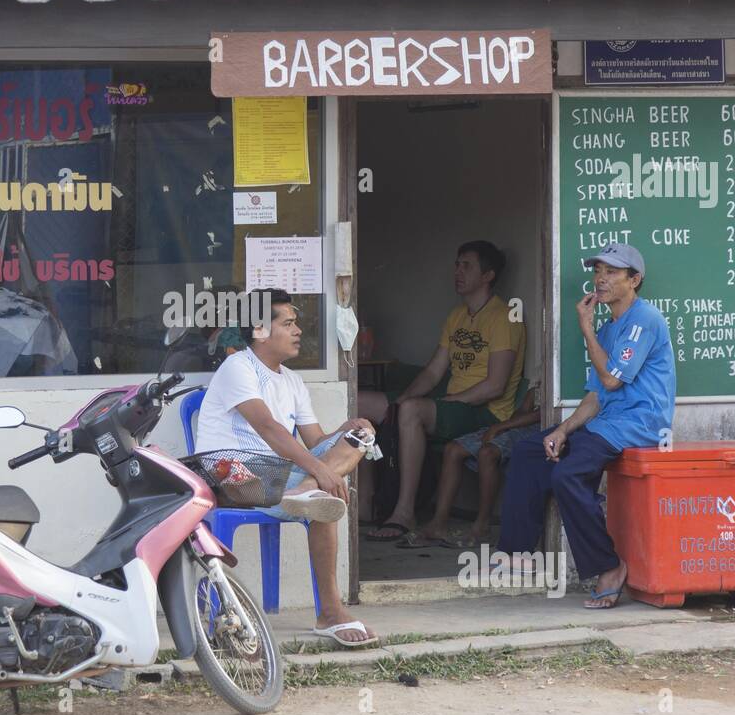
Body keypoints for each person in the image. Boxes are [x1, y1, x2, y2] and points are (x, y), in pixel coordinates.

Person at [195, 289, 379, 648]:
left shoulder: (292, 381)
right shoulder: (238, 366)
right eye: (289, 323)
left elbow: (316, 441)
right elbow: (269, 428)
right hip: (232, 475)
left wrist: (347, 431)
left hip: (282, 477)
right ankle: (330, 611)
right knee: (325, 489)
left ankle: (329, 611)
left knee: (362, 437)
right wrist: (321, 472)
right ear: (261, 330)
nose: (298, 331)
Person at [497, 242, 676, 609]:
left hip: (639, 425)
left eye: (611, 272)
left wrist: (585, 328)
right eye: (598, 271)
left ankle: (609, 567)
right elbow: (596, 396)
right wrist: (562, 431)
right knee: (532, 449)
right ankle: (516, 552)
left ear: (635, 280)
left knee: (568, 475)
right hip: (607, 423)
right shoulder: (611, 328)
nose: (600, 279)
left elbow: (611, 380)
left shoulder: (644, 319)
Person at [363, 241, 526, 542]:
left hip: (485, 411)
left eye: (467, 266)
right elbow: (433, 372)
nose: (458, 272)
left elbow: (495, 385)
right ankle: (363, 505)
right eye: (457, 265)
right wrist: (402, 399)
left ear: (488, 275)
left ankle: (404, 512)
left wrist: (443, 401)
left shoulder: (504, 316)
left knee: (412, 411)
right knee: (361, 402)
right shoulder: (457, 316)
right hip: (453, 404)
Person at [397, 385, 540, 549]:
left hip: (538, 431)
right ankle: (438, 524)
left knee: (487, 454)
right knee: (453, 450)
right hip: (515, 428)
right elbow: (523, 410)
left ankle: (482, 527)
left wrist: (501, 427)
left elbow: (542, 414)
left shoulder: (559, 385)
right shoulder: (537, 388)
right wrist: (509, 426)